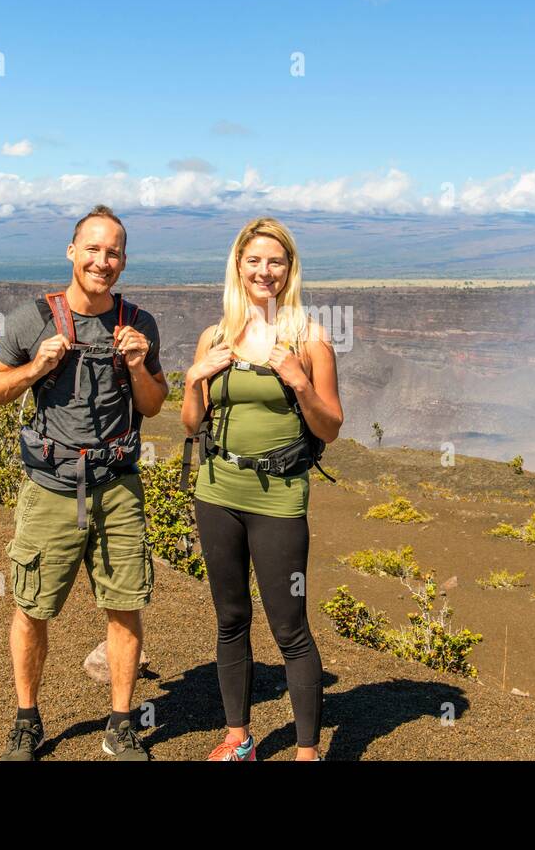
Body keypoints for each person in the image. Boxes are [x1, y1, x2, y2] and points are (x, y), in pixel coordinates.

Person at [0, 205, 168, 761]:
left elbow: (154, 405)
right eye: (92, 249)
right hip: (52, 488)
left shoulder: (140, 323)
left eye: (113, 253)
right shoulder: (32, 319)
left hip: (117, 486)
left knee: (125, 604)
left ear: (124, 260)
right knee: (33, 606)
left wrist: (136, 365)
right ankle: (27, 721)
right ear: (71, 251)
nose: (101, 261)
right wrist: (35, 368)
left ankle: (121, 724)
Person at [180, 217, 343, 761]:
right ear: (239, 266)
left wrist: (298, 379)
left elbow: (331, 426)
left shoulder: (310, 338)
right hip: (217, 491)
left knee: (289, 624)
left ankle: (306, 750)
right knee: (230, 617)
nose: (264, 271)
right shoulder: (216, 335)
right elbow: (189, 423)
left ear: (289, 269)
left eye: (275, 261)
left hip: (278, 498)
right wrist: (193, 376)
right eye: (254, 261)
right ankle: (238, 737)